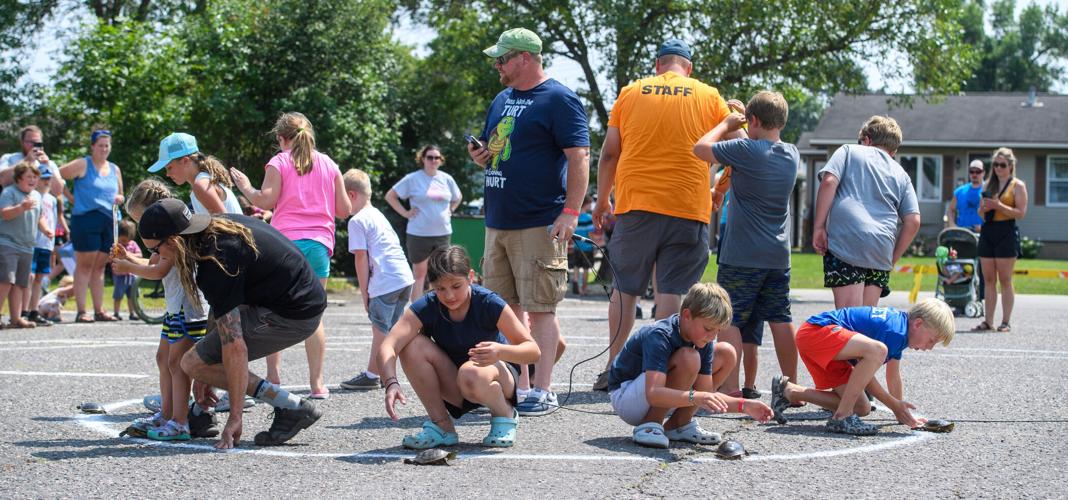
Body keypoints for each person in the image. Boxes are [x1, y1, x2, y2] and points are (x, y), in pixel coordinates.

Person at [591, 39, 739, 391]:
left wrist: (601, 201)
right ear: (688, 68)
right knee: (671, 293)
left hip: (636, 205)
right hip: (688, 207)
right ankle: (661, 371)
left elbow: (610, 154)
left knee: (624, 290)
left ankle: (614, 367)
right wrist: (718, 190)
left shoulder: (631, 92)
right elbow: (741, 146)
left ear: (658, 65)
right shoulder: (708, 95)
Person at [133, 198, 327, 449]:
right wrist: (205, 370)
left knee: (192, 362)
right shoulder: (212, 231)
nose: (156, 257)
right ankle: (288, 406)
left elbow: (234, 345)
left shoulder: (215, 259)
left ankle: (290, 406)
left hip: (294, 314)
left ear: (174, 240)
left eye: (155, 250)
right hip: (287, 300)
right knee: (199, 361)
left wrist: (235, 417)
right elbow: (220, 307)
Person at [468, 28, 590, 416]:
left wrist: (570, 212)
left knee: (540, 308)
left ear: (524, 57)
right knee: (505, 309)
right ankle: (518, 385)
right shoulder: (502, 99)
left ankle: (544, 388)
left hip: (539, 221)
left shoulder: (559, 98)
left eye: (502, 59)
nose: (497, 66)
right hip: (498, 220)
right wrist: (481, 157)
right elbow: (494, 150)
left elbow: (579, 156)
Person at [231, 112, 352, 399]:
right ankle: (317, 384)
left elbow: (266, 200)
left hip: (285, 245)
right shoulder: (328, 164)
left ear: (280, 138)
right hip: (319, 244)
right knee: (314, 313)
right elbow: (344, 210)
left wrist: (245, 186)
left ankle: (273, 378)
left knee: (274, 309)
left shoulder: (280, 161)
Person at [692, 90, 800, 397]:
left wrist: (726, 123)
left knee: (731, 318)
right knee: (780, 318)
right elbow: (754, 145)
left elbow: (700, 149)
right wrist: (743, 120)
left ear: (753, 120)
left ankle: (731, 387)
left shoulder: (745, 150)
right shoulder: (791, 153)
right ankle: (790, 386)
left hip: (742, 253)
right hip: (778, 256)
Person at [380, 245, 540, 449]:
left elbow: (533, 351)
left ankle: (505, 414)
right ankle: (442, 426)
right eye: (440, 289)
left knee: (471, 373)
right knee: (411, 345)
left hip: (497, 377)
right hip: (456, 382)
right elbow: (389, 345)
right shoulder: (427, 305)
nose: (449, 296)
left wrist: (500, 351)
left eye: (456, 286)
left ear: (471, 277)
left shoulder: (489, 302)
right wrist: (391, 383)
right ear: (432, 285)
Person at [607, 282, 773, 448]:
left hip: (655, 394)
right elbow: (653, 393)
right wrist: (696, 397)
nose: (712, 336)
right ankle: (650, 424)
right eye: (708, 328)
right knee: (689, 358)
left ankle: (679, 424)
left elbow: (707, 394)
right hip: (626, 397)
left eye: (717, 331)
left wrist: (744, 405)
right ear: (687, 315)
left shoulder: (702, 340)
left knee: (726, 353)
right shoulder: (660, 335)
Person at [112, 180, 216, 441]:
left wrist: (127, 267)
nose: (141, 230)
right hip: (175, 310)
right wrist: (127, 258)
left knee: (177, 364)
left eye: (141, 221)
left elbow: (157, 271)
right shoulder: (164, 239)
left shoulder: (171, 240)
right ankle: (168, 414)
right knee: (164, 359)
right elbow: (152, 261)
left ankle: (179, 422)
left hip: (188, 311)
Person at [769, 298, 955, 435]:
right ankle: (841, 418)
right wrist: (893, 404)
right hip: (816, 332)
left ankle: (788, 391)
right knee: (878, 351)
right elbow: (866, 375)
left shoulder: (901, 333)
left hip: (821, 340)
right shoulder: (894, 330)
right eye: (931, 340)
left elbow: (893, 375)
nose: (929, 348)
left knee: (862, 407)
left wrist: (900, 412)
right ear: (918, 323)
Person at [812, 116, 920, 309]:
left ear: (867, 139)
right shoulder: (901, 174)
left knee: (849, 318)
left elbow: (829, 182)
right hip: (881, 247)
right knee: (867, 319)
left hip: (847, 241)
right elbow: (913, 221)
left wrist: (819, 226)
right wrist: (892, 258)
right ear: (893, 151)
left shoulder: (848, 151)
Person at [339, 169, 415, 391]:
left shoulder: (357, 221)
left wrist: (365, 293)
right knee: (390, 330)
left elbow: (361, 258)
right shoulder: (377, 214)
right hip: (403, 277)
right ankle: (385, 373)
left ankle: (373, 375)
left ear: (351, 195)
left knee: (380, 330)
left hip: (386, 281)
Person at [59, 127, 124, 323]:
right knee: (85, 265)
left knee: (100, 266)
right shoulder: (82, 164)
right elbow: (57, 174)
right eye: (100, 145)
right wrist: (71, 198)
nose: (104, 149)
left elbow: (121, 192)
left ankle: (99, 310)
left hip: (109, 220)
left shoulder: (114, 168)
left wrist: (121, 198)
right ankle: (81, 311)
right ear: (92, 146)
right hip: (86, 218)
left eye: (107, 145)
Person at [386, 145, 462, 302]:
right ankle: (416, 312)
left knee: (441, 273)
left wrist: (451, 209)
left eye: (436, 158)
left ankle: (439, 308)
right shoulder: (413, 178)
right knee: (419, 274)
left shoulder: (446, 179)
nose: (433, 160)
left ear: (441, 160)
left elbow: (458, 196)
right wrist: (405, 213)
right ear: (423, 159)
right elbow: (390, 196)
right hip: (419, 233)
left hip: (442, 232)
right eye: (430, 157)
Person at [975, 147, 1028, 333]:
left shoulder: (1018, 185)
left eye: (1002, 165)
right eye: (995, 164)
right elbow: (980, 213)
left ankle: (1005, 321)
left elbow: (1021, 213)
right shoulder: (988, 184)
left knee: (1005, 279)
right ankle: (988, 321)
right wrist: (984, 209)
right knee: (988, 279)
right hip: (988, 231)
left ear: (1011, 166)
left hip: (1006, 232)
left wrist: (999, 205)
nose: (998, 168)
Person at [148, 132, 242, 215]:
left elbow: (228, 226)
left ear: (185, 161)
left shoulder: (201, 185)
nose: (167, 174)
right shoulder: (203, 181)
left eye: (169, 167)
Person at [0, 161, 43, 328]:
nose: (32, 180)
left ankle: (16, 318)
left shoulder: (37, 196)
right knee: (5, 281)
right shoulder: (9, 193)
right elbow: (4, 214)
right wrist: (21, 208)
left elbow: (40, 217)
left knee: (20, 283)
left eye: (35, 177)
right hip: (8, 242)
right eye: (28, 177)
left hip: (27, 246)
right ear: (18, 179)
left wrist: (46, 229)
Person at [26, 166, 59, 326]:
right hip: (34, 242)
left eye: (48, 178)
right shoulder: (34, 196)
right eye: (43, 178)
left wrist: (52, 245)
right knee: (29, 277)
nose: (46, 181)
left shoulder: (52, 199)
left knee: (39, 277)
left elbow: (53, 220)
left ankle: (34, 310)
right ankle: (23, 310)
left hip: (46, 244)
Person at [0, 125, 66, 195]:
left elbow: (58, 191)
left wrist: (47, 166)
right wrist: (27, 160)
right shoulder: (9, 158)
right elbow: (2, 180)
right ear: (22, 142)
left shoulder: (49, 163)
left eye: (37, 143)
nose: (33, 145)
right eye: (30, 142)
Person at [110, 220, 141, 320]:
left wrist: (128, 254)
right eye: (121, 240)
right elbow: (110, 258)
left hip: (132, 275)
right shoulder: (116, 246)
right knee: (118, 295)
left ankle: (132, 313)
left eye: (125, 241)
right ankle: (116, 313)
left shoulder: (133, 244)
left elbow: (140, 255)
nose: (123, 243)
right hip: (120, 276)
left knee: (132, 296)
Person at [947, 160, 986, 233]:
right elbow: (951, 210)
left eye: (978, 172)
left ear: (983, 173)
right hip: (962, 234)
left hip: (982, 234)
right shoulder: (960, 191)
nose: (974, 174)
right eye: (972, 171)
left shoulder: (988, 190)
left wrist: (985, 227)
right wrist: (952, 225)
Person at [568, 195, 595, 296]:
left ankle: (575, 282)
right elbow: (590, 233)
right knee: (586, 269)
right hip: (587, 247)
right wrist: (594, 244)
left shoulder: (575, 217)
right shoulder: (588, 218)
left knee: (576, 266)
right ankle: (584, 289)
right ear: (586, 204)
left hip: (576, 246)